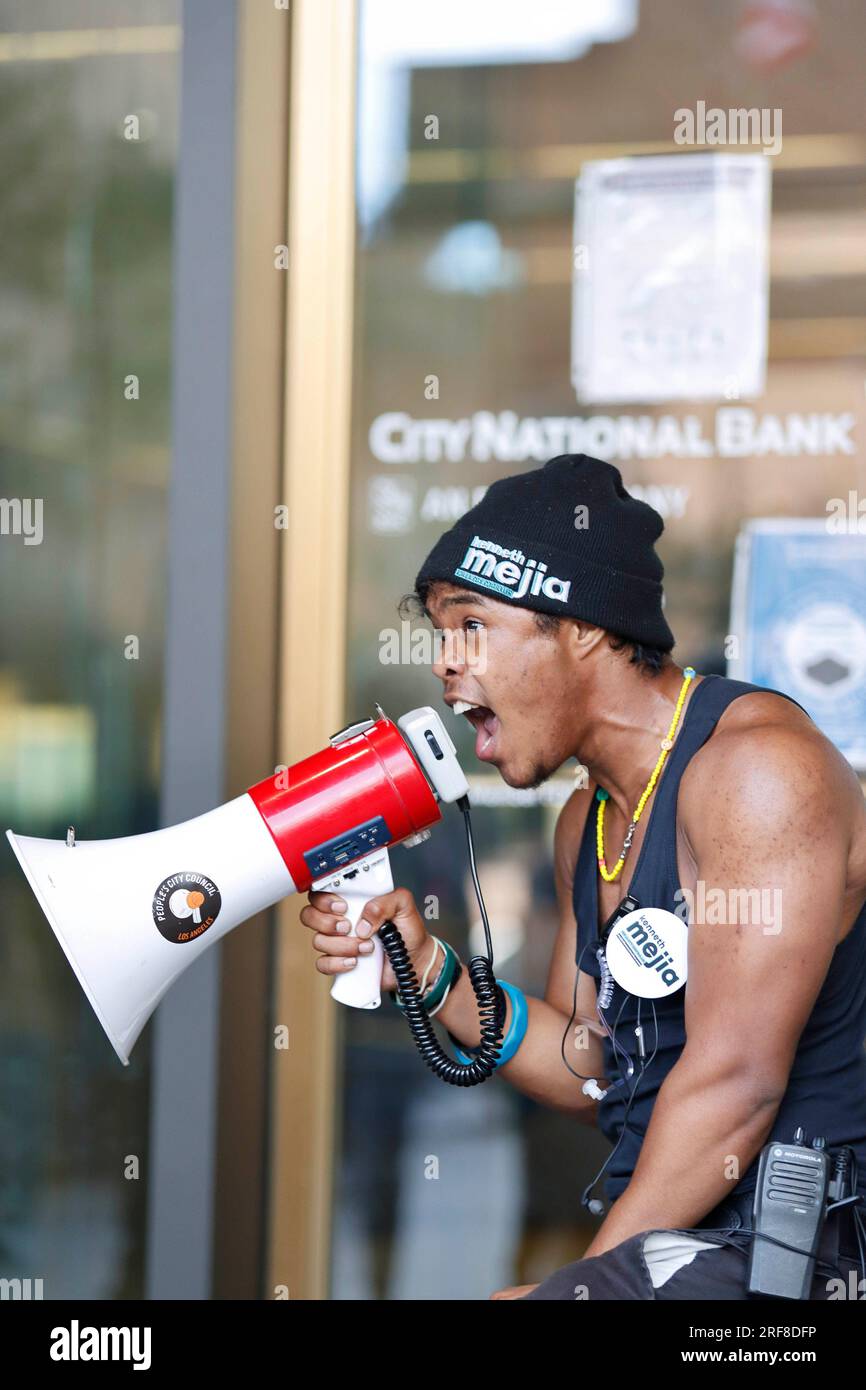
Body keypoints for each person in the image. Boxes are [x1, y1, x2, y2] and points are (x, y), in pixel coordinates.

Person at [301, 454, 866, 1300]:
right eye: (437, 633)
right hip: (691, 1253)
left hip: (810, 1262)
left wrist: (584, 1287)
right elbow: (589, 1064)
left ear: (586, 626)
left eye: (471, 625)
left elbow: (735, 1088)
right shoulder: (589, 820)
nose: (445, 662)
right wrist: (428, 973)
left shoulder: (757, 774)